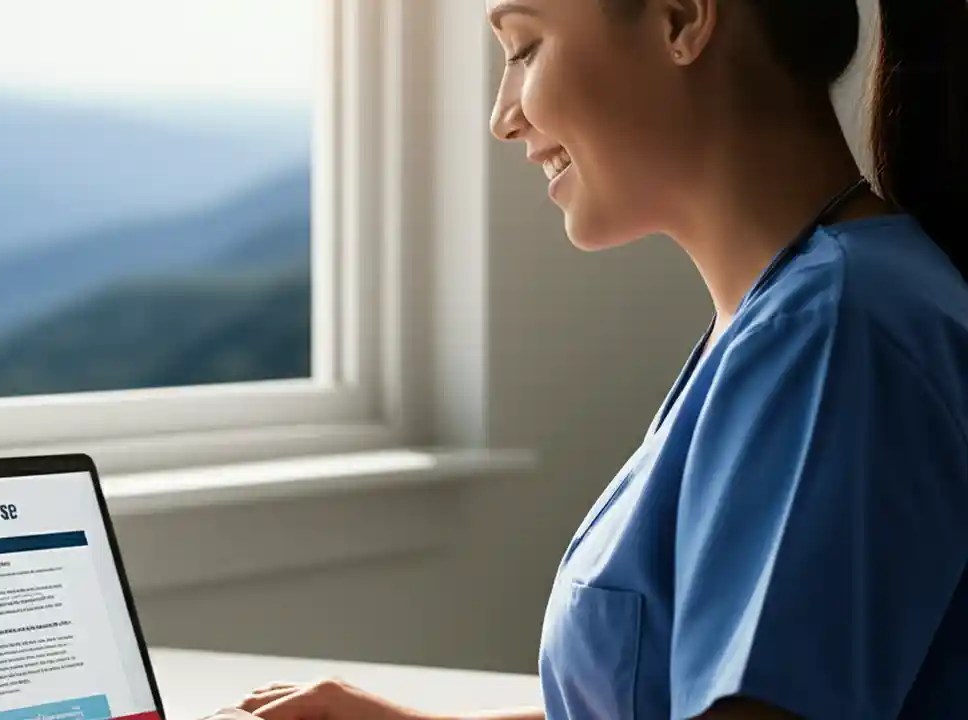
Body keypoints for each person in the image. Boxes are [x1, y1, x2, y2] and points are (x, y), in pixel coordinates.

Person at [204, 0, 967, 718]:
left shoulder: (835, 334)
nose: (503, 116)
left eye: (525, 47)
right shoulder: (798, 318)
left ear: (681, 19)